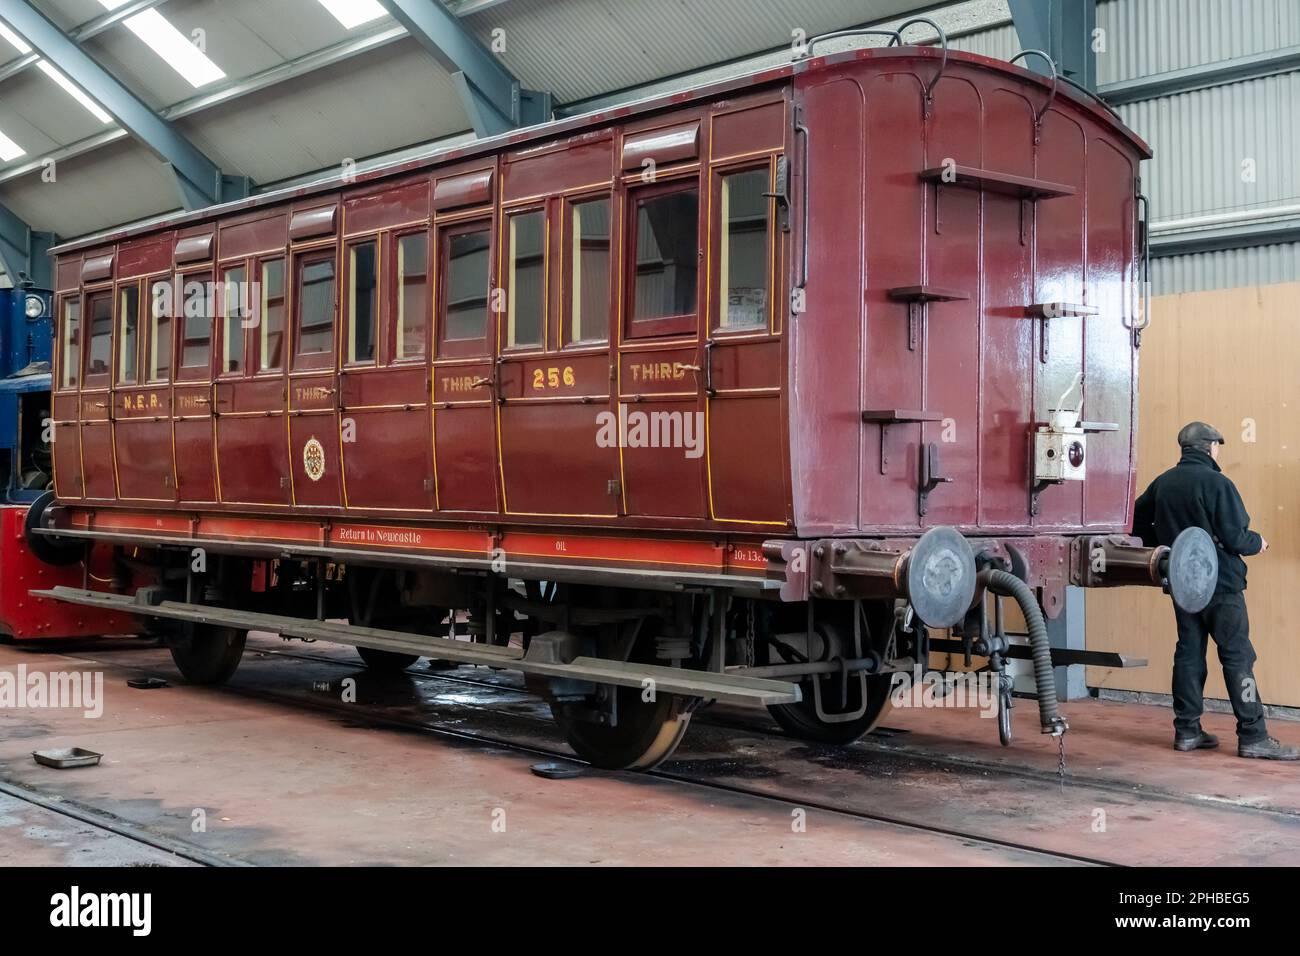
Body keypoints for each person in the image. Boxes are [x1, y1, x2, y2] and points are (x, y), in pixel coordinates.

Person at [1132, 421, 1298, 759]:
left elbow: (1135, 525)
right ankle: (1254, 736)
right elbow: (1236, 536)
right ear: (1210, 447)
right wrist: (1258, 542)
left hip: (1183, 586)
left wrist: (1171, 549)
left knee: (1189, 653)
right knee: (1238, 657)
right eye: (1218, 446)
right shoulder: (1218, 483)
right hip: (1222, 586)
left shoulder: (1163, 483)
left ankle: (1187, 732)